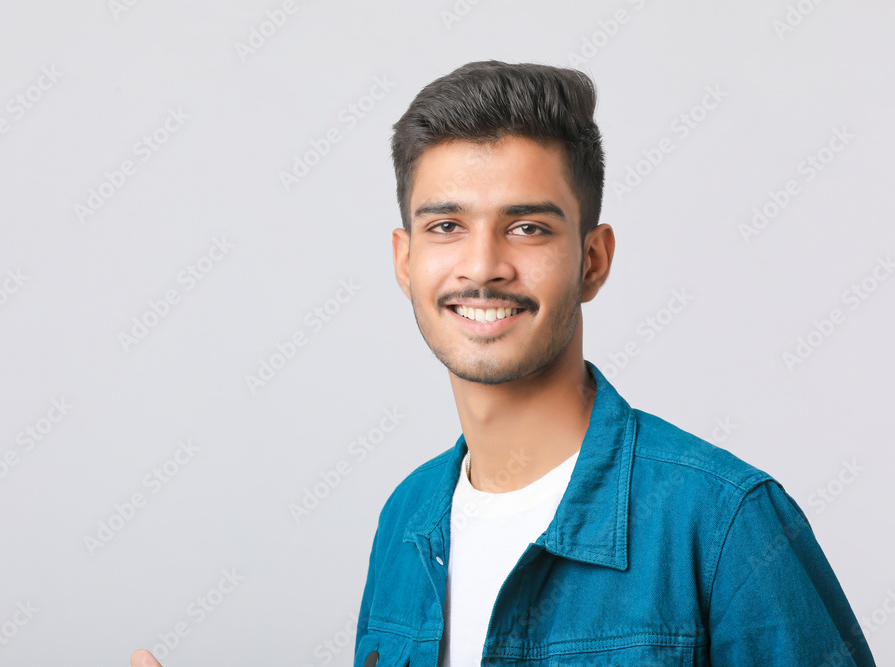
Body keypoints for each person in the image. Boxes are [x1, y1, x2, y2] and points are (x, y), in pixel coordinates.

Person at [130, 61, 876, 667]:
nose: (482, 267)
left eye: (526, 227)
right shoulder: (407, 521)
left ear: (592, 259)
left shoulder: (721, 523)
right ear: (405, 259)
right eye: (447, 225)